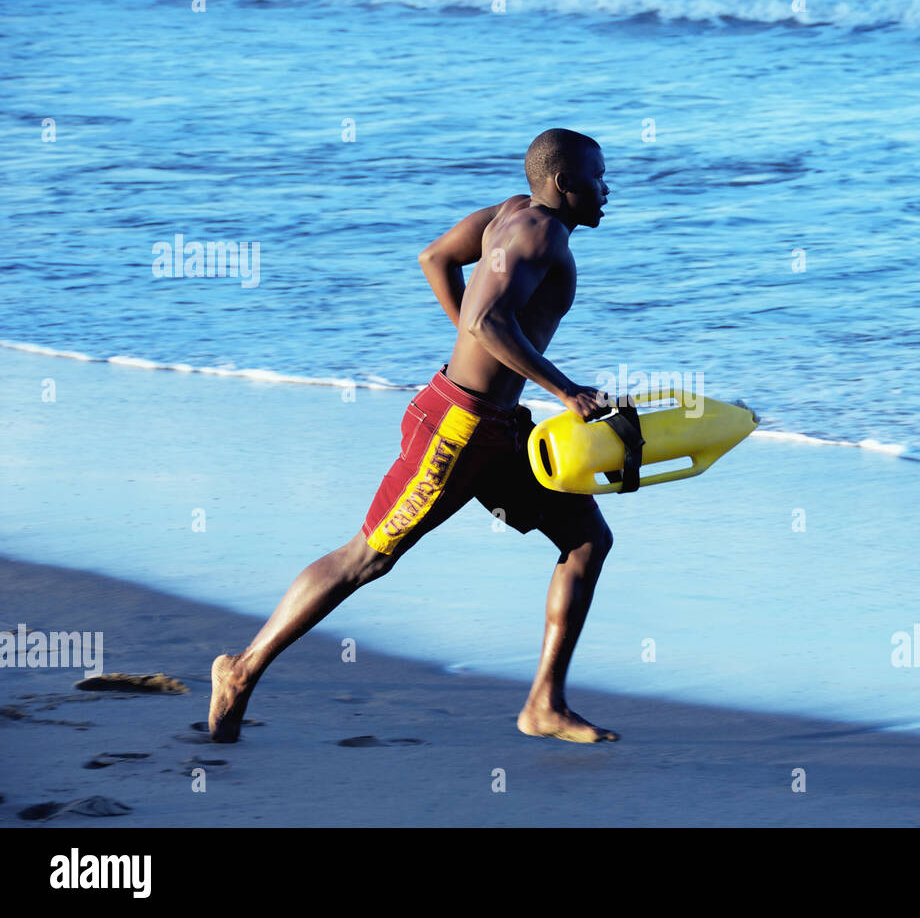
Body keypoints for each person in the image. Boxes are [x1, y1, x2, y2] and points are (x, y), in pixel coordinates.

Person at [209, 128, 618, 744]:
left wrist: (480, 348)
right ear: (564, 183)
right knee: (366, 558)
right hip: (457, 431)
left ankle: (544, 704)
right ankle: (241, 669)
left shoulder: (509, 214)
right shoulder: (540, 233)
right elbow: (485, 318)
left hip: (498, 429)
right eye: (598, 176)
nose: (607, 189)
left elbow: (436, 259)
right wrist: (566, 391)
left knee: (586, 539)